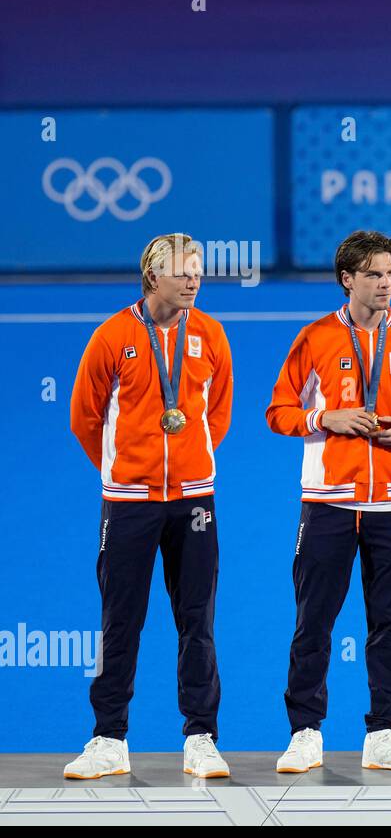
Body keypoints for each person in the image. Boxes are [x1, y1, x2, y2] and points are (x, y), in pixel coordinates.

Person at [267, 230, 391, 773]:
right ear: (348, 279)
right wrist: (324, 419)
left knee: (389, 623)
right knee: (314, 621)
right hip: (328, 501)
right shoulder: (316, 338)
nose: (385, 283)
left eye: (390, 273)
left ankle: (385, 733)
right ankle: (305, 732)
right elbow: (278, 411)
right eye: (373, 274)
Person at [66, 233, 233, 780]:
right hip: (130, 504)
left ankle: (201, 738)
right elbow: (85, 419)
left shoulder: (209, 334)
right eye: (182, 271)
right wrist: (125, 471)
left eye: (197, 270)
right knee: (121, 622)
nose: (193, 280)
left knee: (197, 622)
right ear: (151, 276)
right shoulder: (113, 336)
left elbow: (218, 416)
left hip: (193, 501)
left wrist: (189, 464)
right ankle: (109, 739)